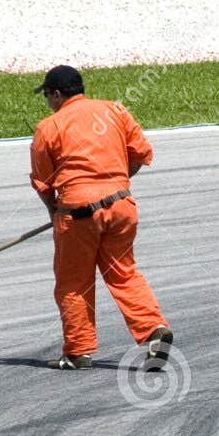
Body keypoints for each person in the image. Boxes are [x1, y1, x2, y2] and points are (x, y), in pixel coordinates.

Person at [30, 64, 173, 372]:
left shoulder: (48, 127)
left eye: (47, 96)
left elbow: (43, 182)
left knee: (73, 283)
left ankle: (78, 352)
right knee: (124, 274)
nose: (47, 102)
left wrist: (54, 210)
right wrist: (116, 183)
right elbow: (141, 154)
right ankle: (153, 330)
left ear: (56, 95)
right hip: (122, 205)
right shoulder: (115, 111)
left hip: (77, 216)